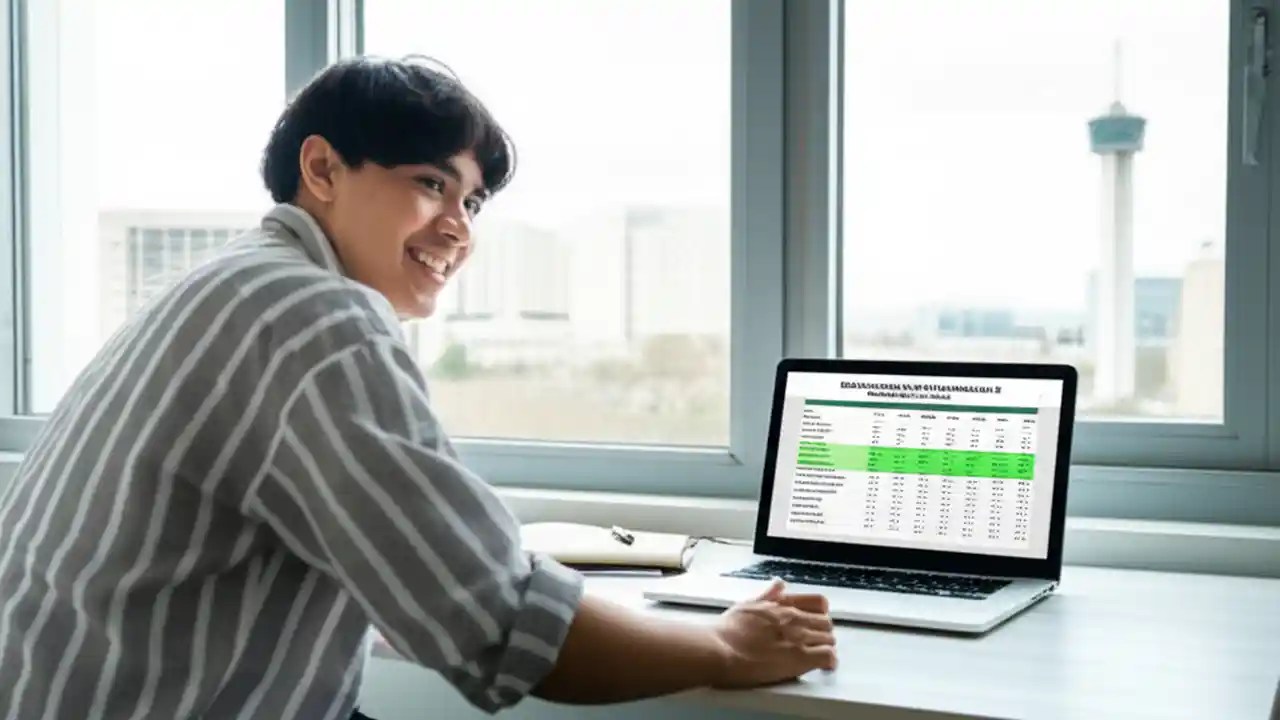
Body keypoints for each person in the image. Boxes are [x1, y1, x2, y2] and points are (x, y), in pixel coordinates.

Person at [0, 56, 837, 719]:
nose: (459, 227)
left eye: (473, 201)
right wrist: (726, 646)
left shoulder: (227, 283)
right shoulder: (317, 318)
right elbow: (501, 626)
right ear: (322, 168)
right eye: (431, 183)